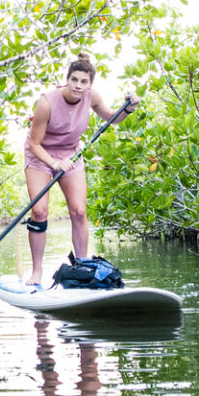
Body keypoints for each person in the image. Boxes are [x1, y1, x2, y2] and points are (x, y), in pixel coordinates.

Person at [22, 53, 135, 287]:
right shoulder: (46, 102)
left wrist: (128, 108)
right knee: (40, 211)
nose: (78, 85)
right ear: (67, 79)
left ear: (90, 85)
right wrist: (54, 163)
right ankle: (37, 271)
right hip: (40, 155)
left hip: (71, 154)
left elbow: (113, 118)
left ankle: (82, 267)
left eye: (84, 82)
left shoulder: (92, 97)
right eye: (74, 80)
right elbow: (34, 144)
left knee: (79, 211)